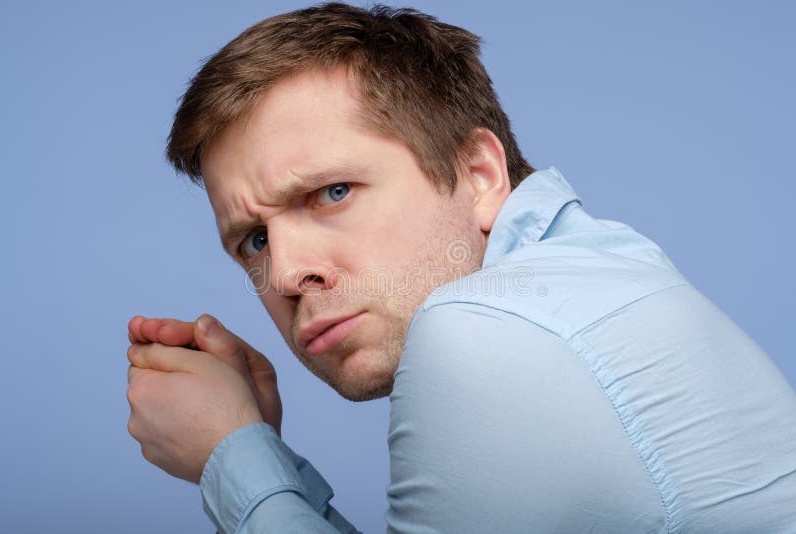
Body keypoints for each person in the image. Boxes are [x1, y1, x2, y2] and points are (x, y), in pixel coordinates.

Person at [125, 3, 796, 532]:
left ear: (479, 174)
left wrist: (229, 457)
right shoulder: (597, 272)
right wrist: (254, 451)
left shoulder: (482, 331)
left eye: (332, 193)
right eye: (254, 240)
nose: (286, 275)